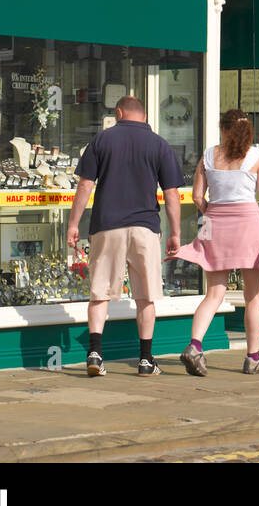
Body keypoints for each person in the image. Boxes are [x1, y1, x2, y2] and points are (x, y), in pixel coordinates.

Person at [171, 109, 259, 375]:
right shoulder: (257, 157)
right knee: (253, 296)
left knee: (214, 293)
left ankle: (195, 346)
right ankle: (253, 357)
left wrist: (214, 215)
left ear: (223, 128)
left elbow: (197, 197)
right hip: (249, 226)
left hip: (214, 226)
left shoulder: (208, 155)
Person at [67, 96, 183, 377]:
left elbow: (84, 185)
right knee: (146, 296)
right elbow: (171, 194)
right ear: (143, 115)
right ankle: (145, 360)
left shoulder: (102, 140)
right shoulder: (159, 144)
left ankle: (95, 352)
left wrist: (73, 223)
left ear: (119, 112)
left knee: (100, 293)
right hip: (145, 227)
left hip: (107, 225)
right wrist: (176, 232)